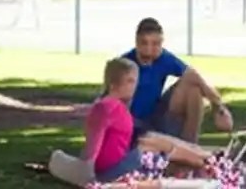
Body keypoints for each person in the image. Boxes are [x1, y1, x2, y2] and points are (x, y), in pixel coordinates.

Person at [81, 57, 213, 183]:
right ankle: (207, 161)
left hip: (120, 164)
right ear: (114, 83)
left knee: (151, 139)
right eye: (130, 81)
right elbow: (93, 143)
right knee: (151, 144)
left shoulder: (115, 105)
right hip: (113, 172)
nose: (134, 86)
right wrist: (89, 175)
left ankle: (204, 157)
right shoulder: (106, 107)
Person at [121, 17, 234, 143]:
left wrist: (219, 107)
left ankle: (191, 143)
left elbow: (193, 76)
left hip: (157, 117)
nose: (149, 49)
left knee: (193, 87)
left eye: (155, 44)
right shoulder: (125, 64)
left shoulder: (163, 58)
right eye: (144, 43)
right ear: (136, 42)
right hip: (133, 123)